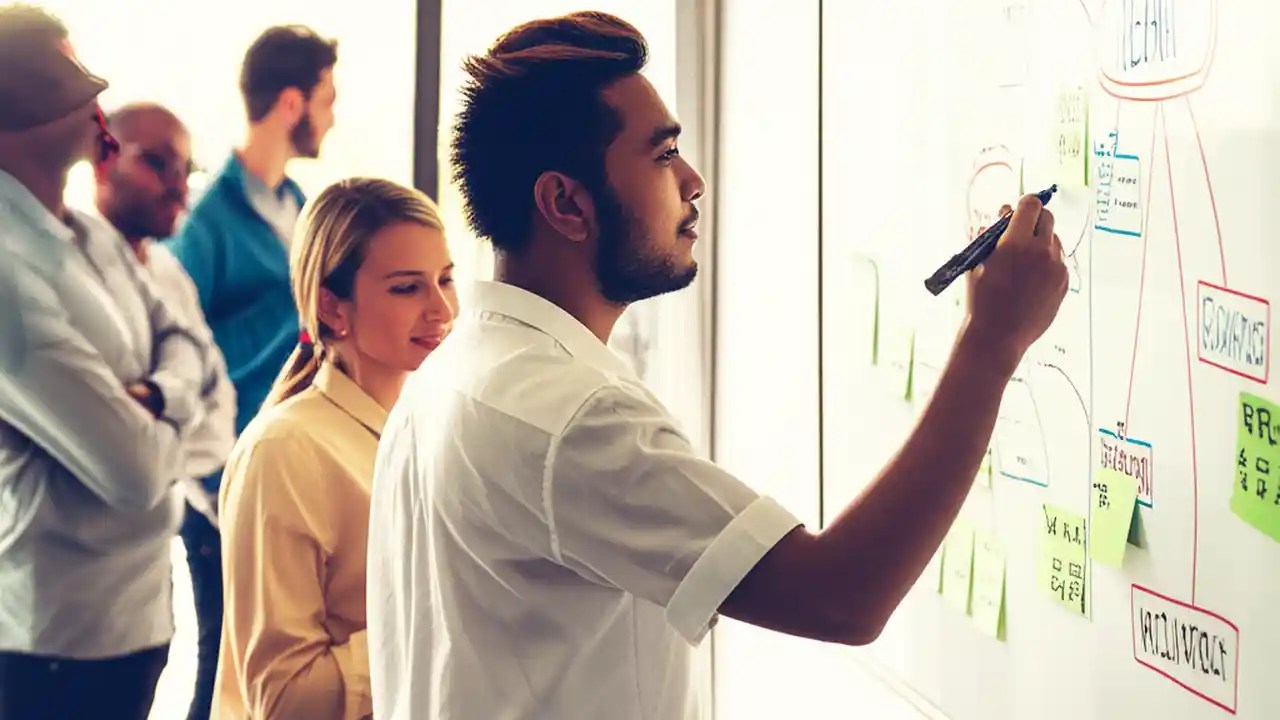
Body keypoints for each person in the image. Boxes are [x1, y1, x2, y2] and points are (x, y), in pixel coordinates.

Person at [366, 11, 1068, 719]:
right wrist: (991, 342)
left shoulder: (449, 374)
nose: (693, 179)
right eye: (663, 154)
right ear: (566, 204)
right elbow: (843, 594)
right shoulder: (570, 418)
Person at [0, 6, 209, 719]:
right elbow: (135, 473)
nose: (98, 102)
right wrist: (174, 400)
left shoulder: (90, 232)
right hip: (55, 649)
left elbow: (187, 348)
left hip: (141, 623)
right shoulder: (4, 274)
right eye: (69, 83)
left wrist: (150, 396)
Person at [215, 178, 455, 720]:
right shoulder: (284, 452)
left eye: (445, 280)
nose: (441, 310)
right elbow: (284, 699)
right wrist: (449, 622)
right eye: (406, 288)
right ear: (332, 307)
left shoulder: (433, 427)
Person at [163, 25, 337, 715]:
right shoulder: (208, 218)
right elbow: (178, 345)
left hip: (286, 465)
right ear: (292, 103)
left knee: (277, 661)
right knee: (222, 665)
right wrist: (293, 307)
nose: (334, 115)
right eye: (328, 97)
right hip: (218, 480)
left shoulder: (295, 206)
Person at [93, 101, 238, 720]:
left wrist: (159, 397)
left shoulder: (170, 271)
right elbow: (110, 430)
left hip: (162, 563)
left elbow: (217, 393)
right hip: (78, 587)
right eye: (157, 163)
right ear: (102, 158)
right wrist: (177, 403)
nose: (178, 184)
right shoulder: (72, 268)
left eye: (185, 168)